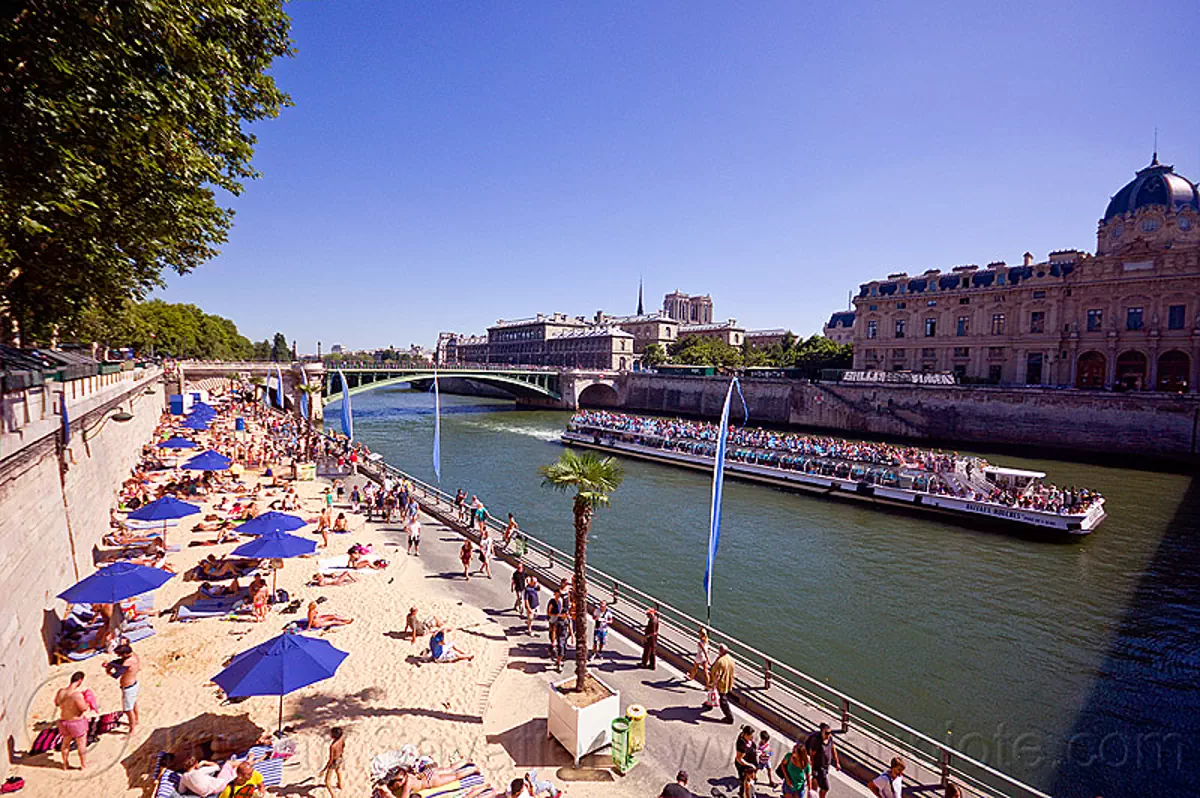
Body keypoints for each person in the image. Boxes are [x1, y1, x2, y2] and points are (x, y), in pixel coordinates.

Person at [178, 752, 263, 798]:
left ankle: (248, 763)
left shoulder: (183, 778)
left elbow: (181, 791)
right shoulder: (201, 771)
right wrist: (205, 762)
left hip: (206, 794)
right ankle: (249, 761)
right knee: (228, 763)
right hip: (219, 786)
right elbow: (216, 767)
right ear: (196, 763)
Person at [54, 672, 89, 770]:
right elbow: (83, 708)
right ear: (80, 681)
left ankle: (65, 764)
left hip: (64, 721)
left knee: (65, 744)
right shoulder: (77, 695)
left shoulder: (61, 692)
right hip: (76, 722)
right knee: (81, 744)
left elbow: (56, 703)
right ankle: (83, 765)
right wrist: (88, 702)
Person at [104, 642, 141, 733]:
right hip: (134, 684)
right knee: (133, 703)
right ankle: (136, 720)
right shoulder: (134, 656)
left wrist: (108, 670)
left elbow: (116, 674)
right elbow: (120, 663)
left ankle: (132, 729)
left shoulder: (127, 662)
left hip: (128, 687)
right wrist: (111, 664)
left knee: (128, 709)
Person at [805, 722, 841, 798]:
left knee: (815, 783)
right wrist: (812, 769)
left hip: (825, 766)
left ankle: (811, 796)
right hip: (819, 768)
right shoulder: (817, 741)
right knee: (825, 788)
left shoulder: (830, 738)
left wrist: (837, 762)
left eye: (830, 732)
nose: (829, 734)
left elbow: (833, 749)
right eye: (827, 733)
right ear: (822, 732)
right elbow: (812, 756)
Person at [708, 644, 735, 723]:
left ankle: (729, 718)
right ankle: (709, 704)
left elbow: (717, 675)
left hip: (721, 684)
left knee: (723, 700)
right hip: (727, 681)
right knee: (712, 693)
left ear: (720, 651)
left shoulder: (720, 662)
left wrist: (714, 685)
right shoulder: (730, 659)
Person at [735, 725, 758, 798]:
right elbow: (739, 759)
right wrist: (750, 765)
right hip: (745, 767)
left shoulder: (749, 740)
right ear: (745, 735)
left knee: (750, 781)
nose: (752, 737)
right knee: (745, 782)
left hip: (751, 763)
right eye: (750, 735)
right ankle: (742, 794)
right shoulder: (741, 745)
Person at [322, 727, 345, 794]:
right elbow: (343, 746)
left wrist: (324, 769)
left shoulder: (332, 746)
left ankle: (333, 796)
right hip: (340, 758)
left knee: (327, 781)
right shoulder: (342, 738)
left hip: (334, 761)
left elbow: (331, 759)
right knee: (338, 771)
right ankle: (340, 785)